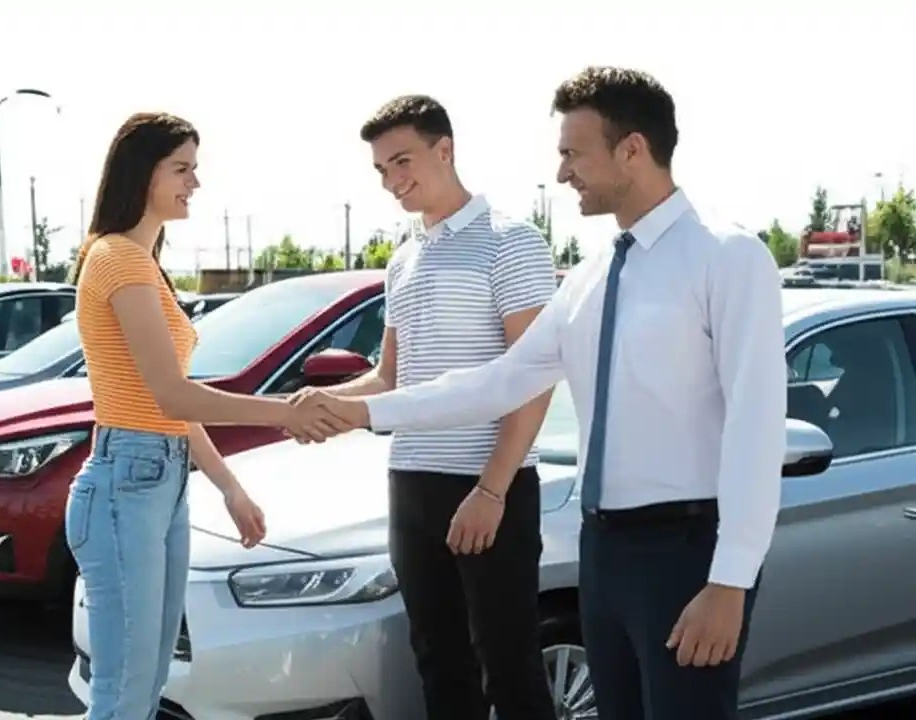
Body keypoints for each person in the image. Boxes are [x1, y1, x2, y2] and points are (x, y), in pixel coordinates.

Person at [293, 66, 786, 720]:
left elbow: (757, 426)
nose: (561, 174)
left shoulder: (729, 258)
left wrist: (731, 578)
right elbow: (497, 383)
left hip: (688, 553)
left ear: (631, 149)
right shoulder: (588, 277)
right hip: (603, 552)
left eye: (572, 154)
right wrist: (362, 409)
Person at [66, 111, 349, 720]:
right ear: (142, 173)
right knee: (123, 692)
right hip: (126, 482)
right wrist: (284, 413)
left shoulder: (144, 263)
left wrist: (229, 487)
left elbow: (170, 402)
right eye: (182, 168)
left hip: (156, 479)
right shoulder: (118, 259)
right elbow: (171, 396)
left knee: (145, 684)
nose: (195, 183)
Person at [290, 94, 559, 720]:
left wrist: (491, 491)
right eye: (382, 170)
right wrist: (317, 403)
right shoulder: (404, 256)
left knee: (510, 668)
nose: (393, 181)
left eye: (403, 161)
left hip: (490, 485)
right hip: (411, 483)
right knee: (439, 662)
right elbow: (389, 377)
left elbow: (534, 377)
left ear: (446, 149)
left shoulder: (512, 242)